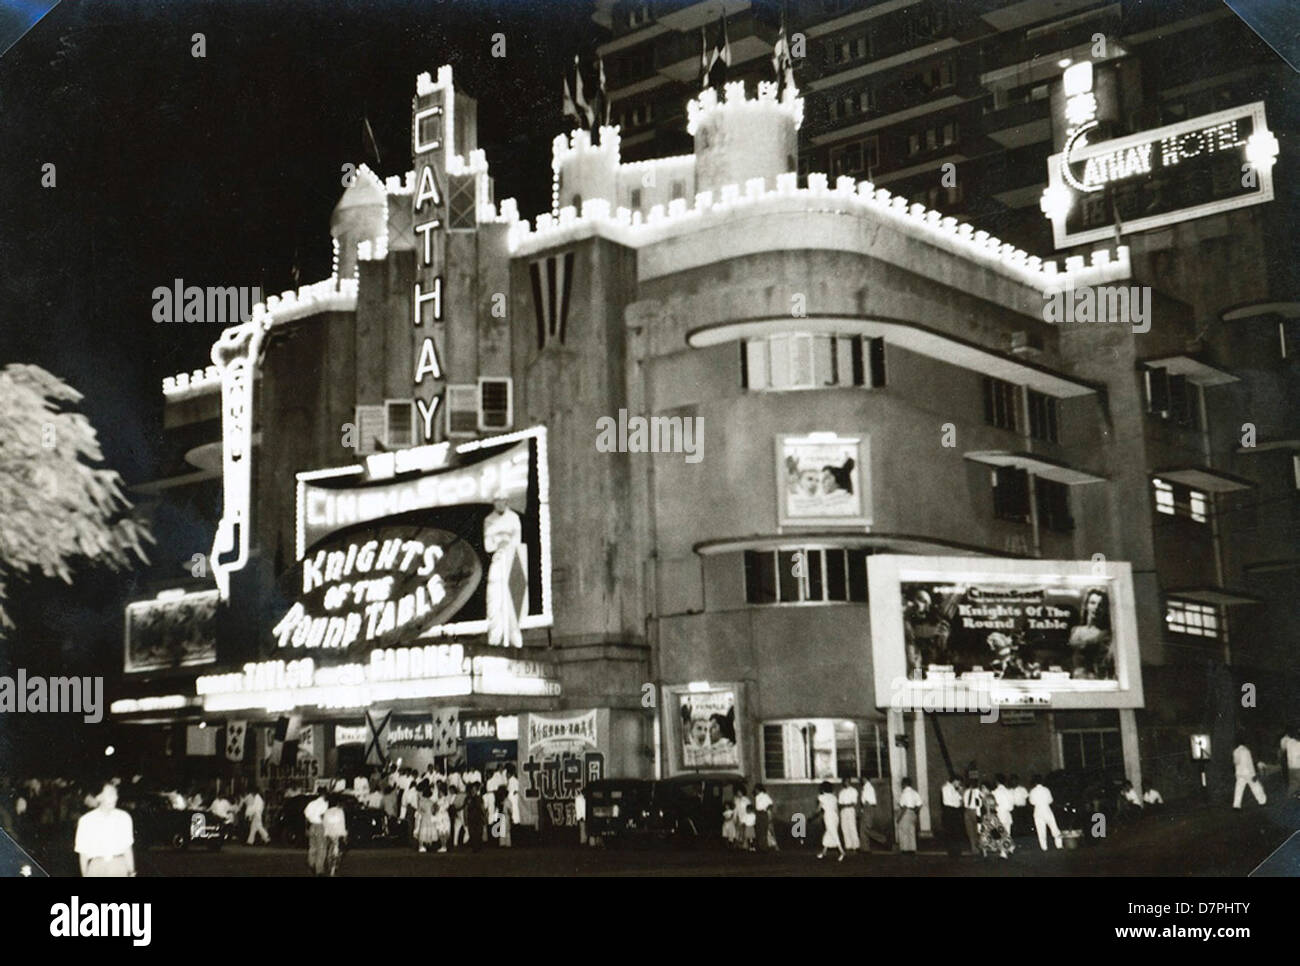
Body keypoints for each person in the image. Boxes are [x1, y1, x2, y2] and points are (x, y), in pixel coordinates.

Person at [484, 491, 524, 647]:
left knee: (511, 599)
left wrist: (506, 543)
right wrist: (499, 544)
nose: (499, 504)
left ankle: (515, 638)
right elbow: (488, 545)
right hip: (498, 560)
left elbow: (517, 542)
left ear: (506, 501)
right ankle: (495, 638)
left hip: (511, 561)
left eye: (502, 501)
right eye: (497, 501)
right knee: (494, 599)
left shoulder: (514, 518)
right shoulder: (489, 520)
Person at [74, 782, 136, 878]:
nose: (115, 797)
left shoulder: (124, 817)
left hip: (119, 866)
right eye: (110, 794)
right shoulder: (86, 820)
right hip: (96, 868)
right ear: (99, 797)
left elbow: (128, 849)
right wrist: (85, 874)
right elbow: (83, 854)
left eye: (116, 794)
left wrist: (131, 872)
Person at [978, 781, 1013, 859]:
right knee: (988, 834)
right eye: (982, 788)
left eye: (984, 788)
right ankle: (1003, 850)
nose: (983, 789)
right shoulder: (987, 796)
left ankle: (1004, 850)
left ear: (988, 788)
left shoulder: (988, 797)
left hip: (989, 818)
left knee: (994, 835)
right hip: (988, 818)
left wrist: (989, 818)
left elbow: (989, 808)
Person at [1028, 775, 1062, 851]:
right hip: (1047, 810)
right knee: (1054, 827)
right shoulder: (1046, 790)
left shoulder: (1032, 791)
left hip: (1038, 812)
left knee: (1041, 830)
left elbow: (1031, 802)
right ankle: (1059, 844)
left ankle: (1044, 847)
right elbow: (1050, 800)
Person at [1232, 738, 1267, 809]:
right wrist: (1254, 774)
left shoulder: (1235, 751)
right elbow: (1249, 763)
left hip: (1239, 773)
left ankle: (1236, 805)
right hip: (1248, 773)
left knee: (1238, 789)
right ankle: (1262, 801)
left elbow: (1235, 763)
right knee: (1256, 787)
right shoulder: (1246, 751)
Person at [816, 781, 844, 861]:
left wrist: (812, 816)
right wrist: (838, 817)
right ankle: (823, 852)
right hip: (835, 817)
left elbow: (818, 809)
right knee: (829, 832)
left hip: (828, 816)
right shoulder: (834, 797)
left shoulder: (822, 797)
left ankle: (842, 851)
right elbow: (836, 809)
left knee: (833, 833)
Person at [304, 788, 329, 875]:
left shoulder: (311, 803)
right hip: (320, 826)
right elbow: (322, 816)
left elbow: (306, 816)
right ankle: (319, 869)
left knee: (312, 847)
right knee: (321, 848)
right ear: (325, 795)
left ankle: (311, 864)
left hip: (312, 826)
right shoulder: (324, 804)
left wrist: (307, 828)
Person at [895, 778, 923, 854]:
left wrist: (899, 817)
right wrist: (915, 812)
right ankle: (912, 848)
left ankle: (905, 849)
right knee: (911, 831)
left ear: (904, 784)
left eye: (902, 784)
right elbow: (920, 805)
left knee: (903, 831)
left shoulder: (904, 793)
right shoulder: (915, 793)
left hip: (905, 812)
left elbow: (904, 806)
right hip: (913, 812)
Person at [940, 777, 964, 857]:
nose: (959, 785)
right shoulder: (948, 788)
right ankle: (953, 851)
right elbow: (956, 802)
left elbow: (959, 801)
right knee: (953, 832)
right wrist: (960, 792)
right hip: (951, 811)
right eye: (958, 783)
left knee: (953, 832)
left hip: (952, 811)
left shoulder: (951, 788)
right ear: (955, 781)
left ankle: (954, 851)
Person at [837, 779, 860, 852]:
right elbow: (840, 804)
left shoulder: (854, 790)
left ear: (849, 781)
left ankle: (856, 845)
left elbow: (853, 803)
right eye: (844, 781)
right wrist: (843, 806)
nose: (845, 782)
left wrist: (845, 805)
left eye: (847, 781)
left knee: (852, 827)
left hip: (850, 810)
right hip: (843, 811)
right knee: (844, 827)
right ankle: (848, 845)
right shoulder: (842, 792)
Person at [465, 783, 486, 853]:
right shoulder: (468, 798)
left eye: (475, 789)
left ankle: (479, 847)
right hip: (471, 818)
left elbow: (482, 808)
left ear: (477, 790)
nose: (473, 791)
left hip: (478, 818)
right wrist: (465, 818)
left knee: (479, 833)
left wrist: (484, 816)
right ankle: (474, 847)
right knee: (472, 833)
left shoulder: (479, 798)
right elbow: (466, 809)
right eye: (472, 789)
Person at [414, 785, 436, 853]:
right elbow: (433, 811)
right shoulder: (432, 802)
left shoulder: (422, 802)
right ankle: (426, 845)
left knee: (422, 831)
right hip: (430, 817)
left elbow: (419, 810)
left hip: (424, 817)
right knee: (428, 831)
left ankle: (421, 846)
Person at [734, 784, 755, 851]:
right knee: (738, 832)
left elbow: (749, 809)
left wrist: (748, 818)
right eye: (737, 792)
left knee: (746, 832)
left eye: (740, 792)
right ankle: (739, 845)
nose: (738, 793)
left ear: (742, 792)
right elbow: (735, 810)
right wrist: (735, 817)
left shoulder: (746, 800)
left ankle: (746, 845)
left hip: (745, 817)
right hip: (739, 817)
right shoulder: (736, 800)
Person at [754, 784, 774, 852]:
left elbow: (771, 804)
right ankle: (760, 847)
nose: (755, 791)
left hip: (763, 813)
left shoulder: (765, 796)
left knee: (763, 830)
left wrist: (766, 809)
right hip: (758, 813)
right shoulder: (756, 797)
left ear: (759, 789)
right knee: (758, 830)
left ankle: (764, 847)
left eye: (756, 789)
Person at [1280, 729, 1300, 798]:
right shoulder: (1298, 744)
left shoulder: (1289, 742)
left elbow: (1283, 749)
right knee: (1296, 781)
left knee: (1293, 782)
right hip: (1298, 766)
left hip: (1291, 766)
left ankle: (1291, 794)